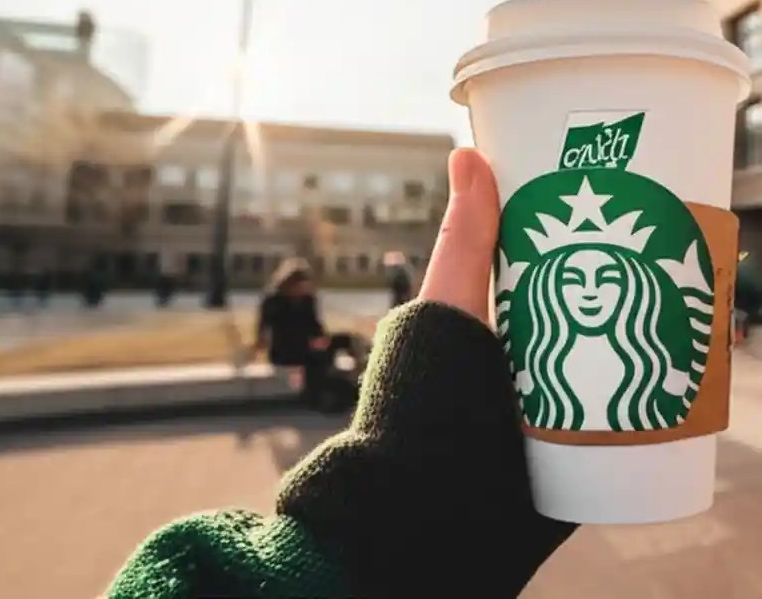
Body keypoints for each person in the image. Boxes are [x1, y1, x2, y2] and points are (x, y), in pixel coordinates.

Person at [108, 148, 576, 597]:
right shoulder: (276, 302)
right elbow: (273, 332)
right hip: (290, 355)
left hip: (314, 357)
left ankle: (348, 374)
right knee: (328, 352)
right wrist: (361, 546)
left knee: (345, 343)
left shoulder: (306, 301)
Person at [255, 258, 364, 413]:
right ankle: (319, 394)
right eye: (298, 286)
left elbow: (315, 325)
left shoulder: (308, 299)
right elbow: (267, 329)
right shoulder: (273, 301)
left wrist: (322, 338)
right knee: (317, 357)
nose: (301, 290)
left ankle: (360, 373)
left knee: (347, 340)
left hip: (309, 344)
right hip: (285, 349)